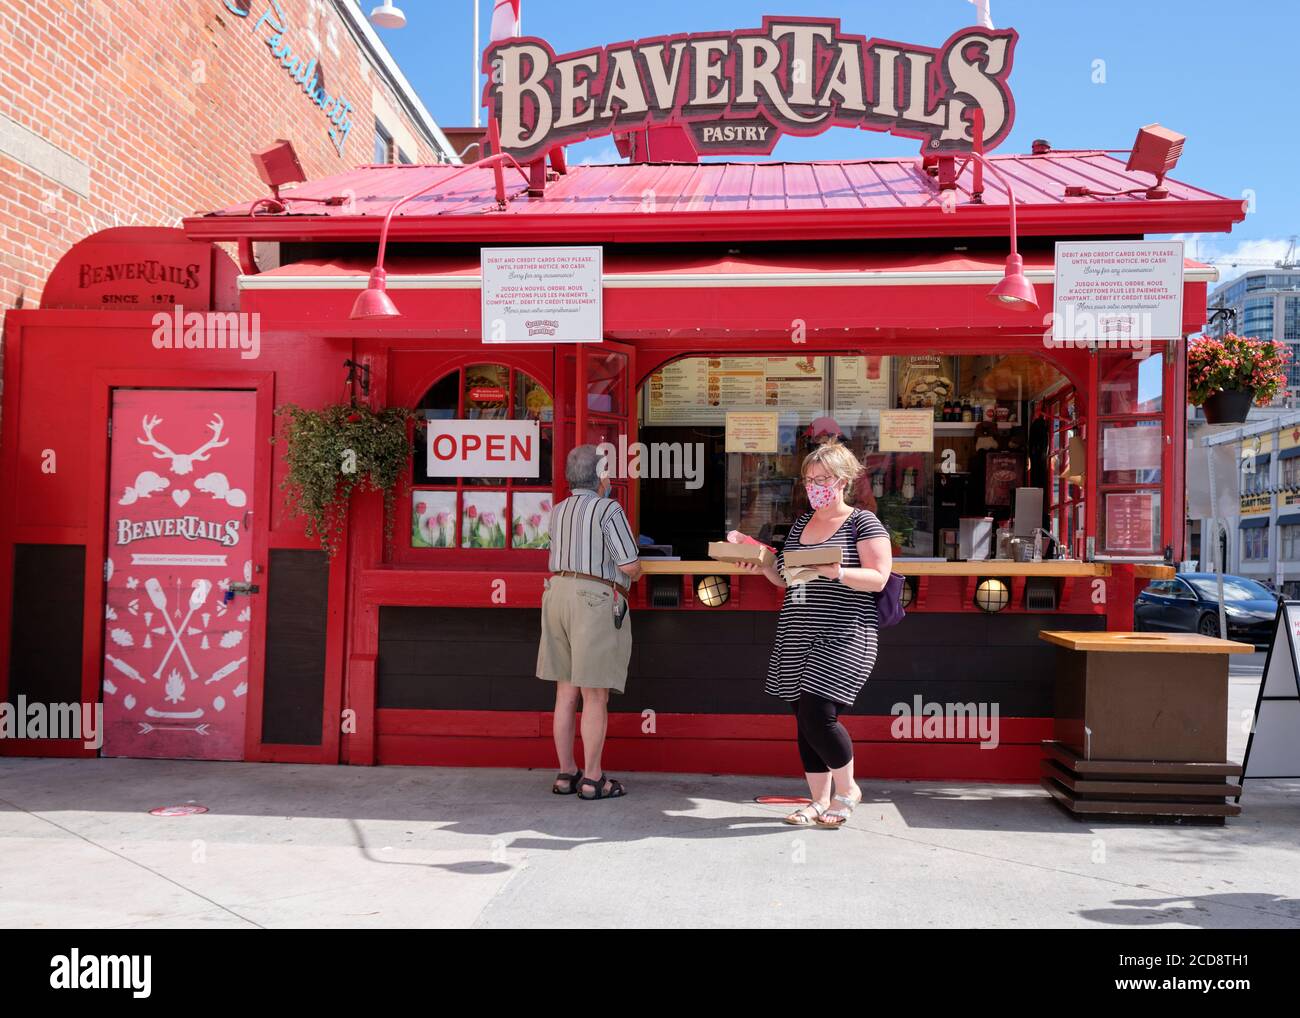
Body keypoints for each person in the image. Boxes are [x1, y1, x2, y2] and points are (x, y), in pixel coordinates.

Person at [740, 438, 893, 828]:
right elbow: (789, 579)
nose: (814, 486)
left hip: (845, 633)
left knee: (818, 713)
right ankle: (819, 802)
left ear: (843, 481)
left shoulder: (863, 522)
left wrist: (837, 570)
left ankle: (848, 790)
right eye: (809, 479)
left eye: (822, 478)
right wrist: (762, 564)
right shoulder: (801, 524)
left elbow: (878, 578)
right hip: (797, 631)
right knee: (803, 719)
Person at [536, 444, 643, 801]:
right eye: (607, 473)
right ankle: (594, 779)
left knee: (565, 693)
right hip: (593, 600)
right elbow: (628, 563)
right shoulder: (608, 508)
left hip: (557, 594)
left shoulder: (558, 510)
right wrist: (638, 571)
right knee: (594, 694)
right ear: (599, 477)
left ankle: (566, 773)